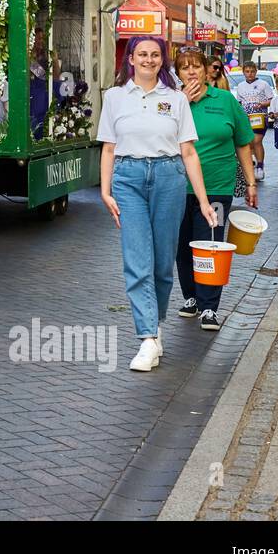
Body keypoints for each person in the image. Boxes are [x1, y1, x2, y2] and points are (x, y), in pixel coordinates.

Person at [98, 36, 217, 372]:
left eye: (155, 55)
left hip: (169, 178)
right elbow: (108, 147)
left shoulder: (176, 100)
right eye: (142, 54)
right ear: (131, 59)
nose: (149, 60)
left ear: (162, 61)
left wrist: (205, 202)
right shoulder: (115, 97)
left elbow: (189, 152)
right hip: (127, 178)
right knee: (137, 259)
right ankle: (147, 338)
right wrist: (105, 191)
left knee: (163, 264)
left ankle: (155, 327)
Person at [174, 48, 256, 332]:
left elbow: (242, 142)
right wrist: (180, 104)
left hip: (216, 187)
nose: (191, 72)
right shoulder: (171, 102)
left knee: (210, 246)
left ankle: (209, 306)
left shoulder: (225, 101)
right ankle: (191, 298)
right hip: (178, 187)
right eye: (184, 68)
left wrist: (250, 182)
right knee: (183, 246)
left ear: (207, 69)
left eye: (196, 66)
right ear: (178, 73)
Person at [232, 61, 274, 180]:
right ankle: (251, 166)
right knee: (248, 143)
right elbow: (239, 103)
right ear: (243, 72)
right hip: (246, 118)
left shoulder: (263, 84)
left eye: (252, 71)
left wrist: (262, 104)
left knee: (256, 141)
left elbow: (272, 100)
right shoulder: (240, 86)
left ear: (256, 72)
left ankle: (260, 167)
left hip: (259, 117)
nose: (250, 74)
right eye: (247, 71)